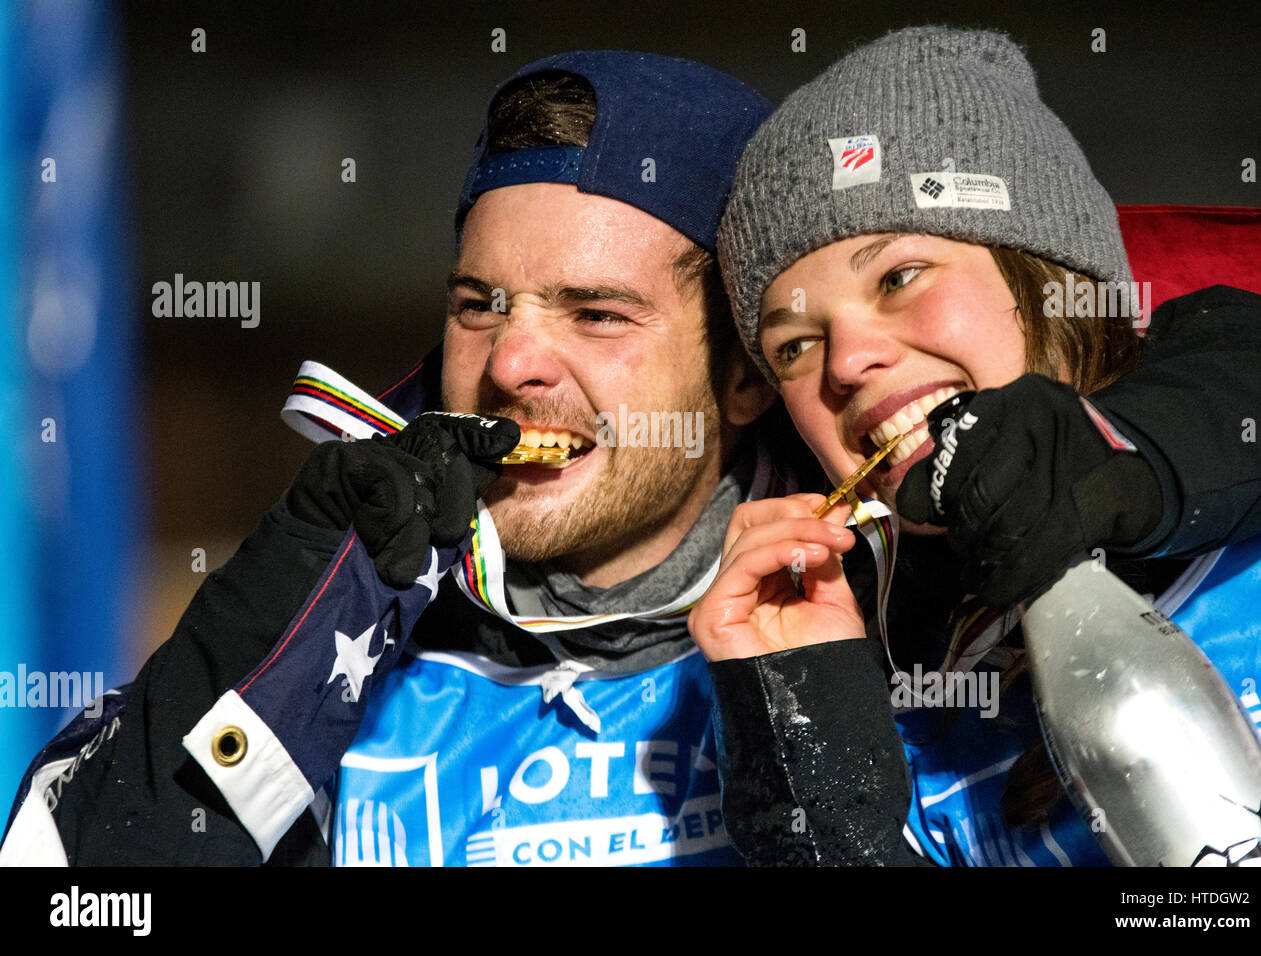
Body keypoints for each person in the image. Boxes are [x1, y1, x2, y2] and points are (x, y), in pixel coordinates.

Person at [0, 51, 797, 867]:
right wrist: (270, 632)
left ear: (745, 375)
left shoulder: (863, 645)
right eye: (477, 306)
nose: (509, 362)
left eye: (595, 314)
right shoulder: (348, 633)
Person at [692, 26, 1261, 866]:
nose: (845, 361)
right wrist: (816, 773)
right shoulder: (897, 673)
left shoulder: (1250, 402)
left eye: (898, 277)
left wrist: (1117, 454)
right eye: (793, 344)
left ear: (1047, 272)